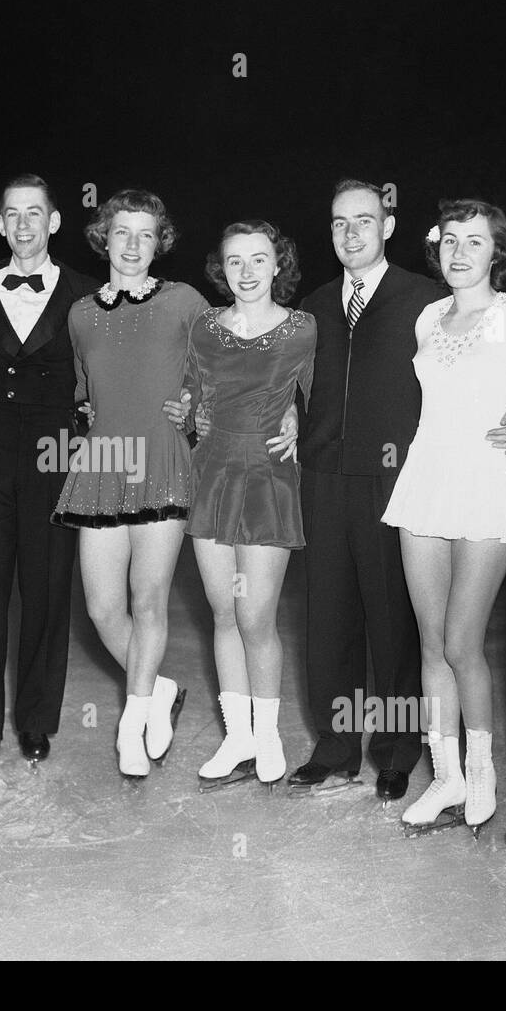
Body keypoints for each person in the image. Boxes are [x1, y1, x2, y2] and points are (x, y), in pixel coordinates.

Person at [380, 200, 506, 834]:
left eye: (474, 242)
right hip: (424, 481)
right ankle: (444, 774)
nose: (459, 252)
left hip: (487, 483)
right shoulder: (425, 318)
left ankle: (482, 771)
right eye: (450, 240)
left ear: (496, 251)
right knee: (430, 643)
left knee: (461, 641)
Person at [288, 180, 445, 799]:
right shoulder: (317, 304)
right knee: (328, 618)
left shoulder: (425, 299)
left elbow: (488, 360)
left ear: (388, 226)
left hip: (394, 477)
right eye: (338, 224)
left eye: (363, 221)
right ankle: (334, 747)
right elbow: (287, 381)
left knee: (393, 621)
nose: (350, 234)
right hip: (323, 475)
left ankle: (398, 750)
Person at [51, 188, 208, 778]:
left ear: (159, 241)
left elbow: (216, 370)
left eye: (146, 234)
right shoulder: (81, 313)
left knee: (149, 599)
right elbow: (82, 393)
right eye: (123, 233)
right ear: (104, 237)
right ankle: (160, 690)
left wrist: (194, 408)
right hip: (102, 464)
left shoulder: (186, 301)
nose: (134, 245)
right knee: (101, 608)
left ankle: (131, 724)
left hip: (163, 460)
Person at [0, 176, 98, 775]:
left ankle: (37, 722)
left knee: (46, 589)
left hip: (56, 454)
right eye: (12, 214)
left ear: (55, 222)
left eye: (34, 213)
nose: (23, 225)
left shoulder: (90, 298)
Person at [181, 220, 315, 790]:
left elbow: (325, 401)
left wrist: (297, 420)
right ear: (222, 268)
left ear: (277, 263)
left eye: (258, 259)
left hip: (268, 479)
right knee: (223, 612)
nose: (247, 271)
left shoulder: (304, 329)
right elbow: (187, 398)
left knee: (256, 615)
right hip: (211, 475)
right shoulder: (204, 327)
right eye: (235, 261)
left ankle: (269, 735)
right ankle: (237, 737)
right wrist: (189, 413)